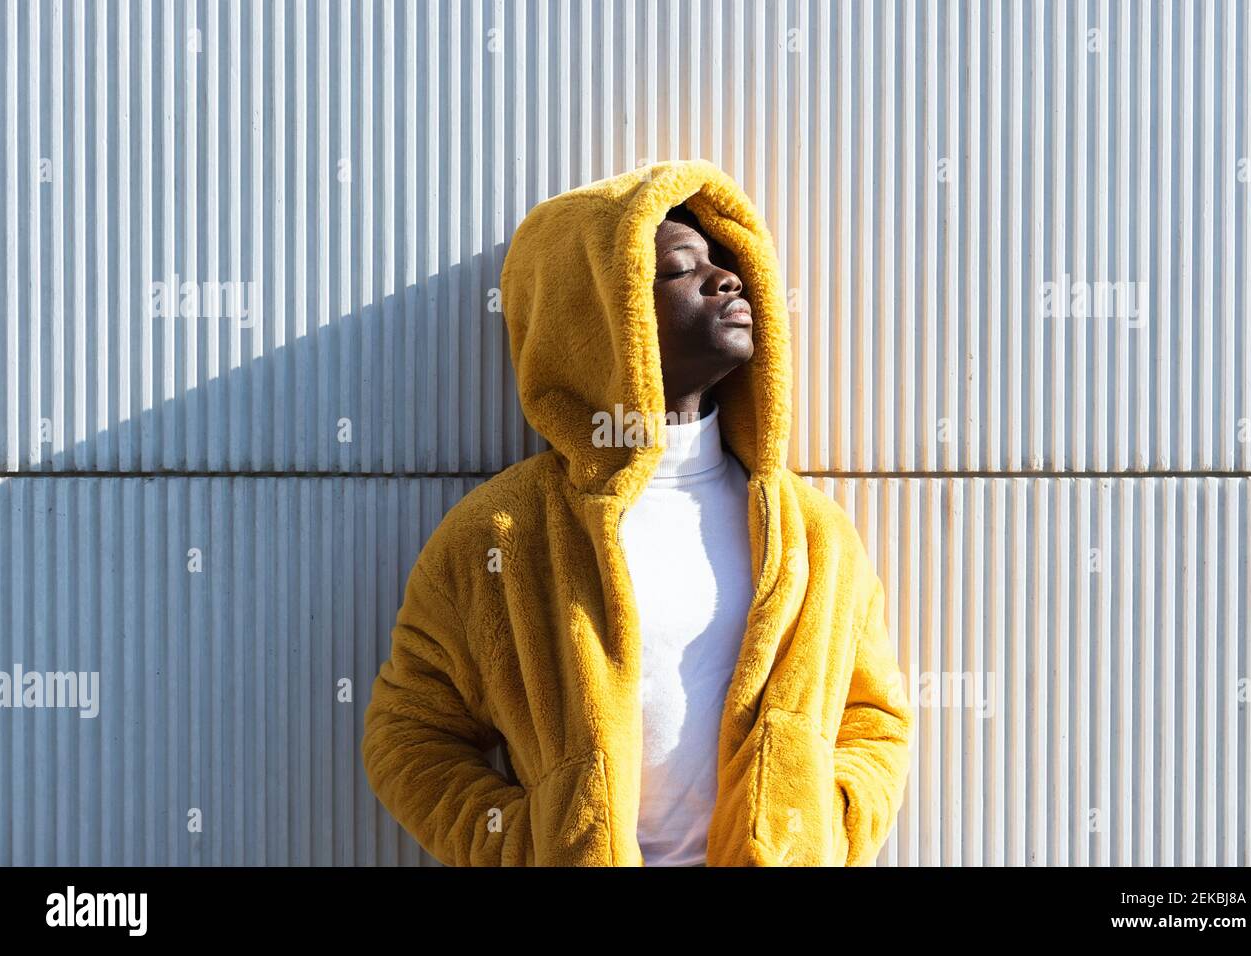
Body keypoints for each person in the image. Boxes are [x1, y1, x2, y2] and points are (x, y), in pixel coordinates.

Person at [361, 158, 913, 866]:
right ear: (596, 316)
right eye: (680, 270)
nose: (726, 279)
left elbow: (874, 722)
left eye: (725, 262)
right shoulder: (505, 532)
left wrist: (825, 827)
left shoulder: (813, 536)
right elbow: (409, 733)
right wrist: (524, 847)